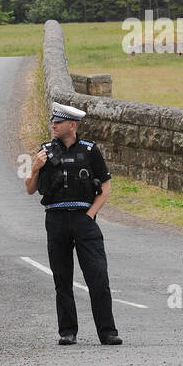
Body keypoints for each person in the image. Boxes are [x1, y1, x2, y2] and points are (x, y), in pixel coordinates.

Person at [24, 101, 122, 346]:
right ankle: (67, 331)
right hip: (56, 219)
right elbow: (29, 189)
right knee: (62, 278)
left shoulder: (90, 151)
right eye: (53, 122)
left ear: (72, 125)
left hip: (83, 219)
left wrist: (90, 215)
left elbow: (106, 187)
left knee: (98, 276)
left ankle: (107, 332)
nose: (53, 126)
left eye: (58, 123)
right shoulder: (44, 151)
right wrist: (35, 167)